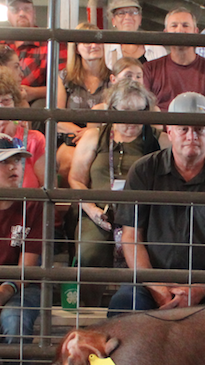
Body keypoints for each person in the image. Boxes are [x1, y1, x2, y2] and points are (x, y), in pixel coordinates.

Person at [107, 92, 205, 316]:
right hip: (152, 279)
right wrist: (157, 288)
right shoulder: (144, 171)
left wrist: (199, 290)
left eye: (199, 129)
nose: (191, 135)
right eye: (183, 129)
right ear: (169, 131)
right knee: (123, 305)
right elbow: (131, 237)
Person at [69, 79, 163, 305]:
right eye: (125, 112)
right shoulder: (95, 136)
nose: (131, 120)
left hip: (143, 215)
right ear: (112, 110)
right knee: (89, 252)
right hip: (99, 211)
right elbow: (75, 178)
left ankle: (145, 308)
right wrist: (90, 209)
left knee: (157, 253)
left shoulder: (158, 139)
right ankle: (90, 310)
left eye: (139, 112)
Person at [0, 134, 42, 365]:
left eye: (19, 160)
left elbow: (27, 267)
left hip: (20, 285)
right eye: (7, 162)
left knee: (15, 318)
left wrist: (5, 289)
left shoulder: (32, 202)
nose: (16, 167)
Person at [55, 22, 111, 186]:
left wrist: (91, 132)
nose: (93, 45)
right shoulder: (65, 77)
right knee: (71, 162)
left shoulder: (113, 76)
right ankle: (72, 208)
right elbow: (57, 117)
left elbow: (117, 115)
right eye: (87, 42)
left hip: (102, 136)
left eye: (97, 41)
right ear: (77, 48)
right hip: (71, 136)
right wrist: (82, 133)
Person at [143, 8, 205, 111]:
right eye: (174, 26)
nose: (179, 30)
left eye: (185, 25)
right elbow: (143, 108)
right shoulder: (149, 69)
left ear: (196, 31)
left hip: (200, 126)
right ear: (166, 33)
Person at [0, 0, 67, 114]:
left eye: (26, 9)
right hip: (3, 94)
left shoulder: (51, 42)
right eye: (15, 10)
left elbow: (64, 84)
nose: (21, 13)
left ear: (33, 13)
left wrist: (34, 92)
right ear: (8, 15)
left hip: (34, 100)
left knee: (41, 108)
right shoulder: (2, 41)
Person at [0, 67, 44, 188]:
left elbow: (48, 190)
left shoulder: (35, 140)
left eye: (6, 100)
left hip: (27, 207)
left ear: (15, 102)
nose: (1, 107)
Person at [102, 0, 167, 70]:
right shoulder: (105, 50)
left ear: (140, 19)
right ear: (113, 21)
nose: (127, 17)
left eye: (133, 12)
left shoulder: (156, 49)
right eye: (121, 13)